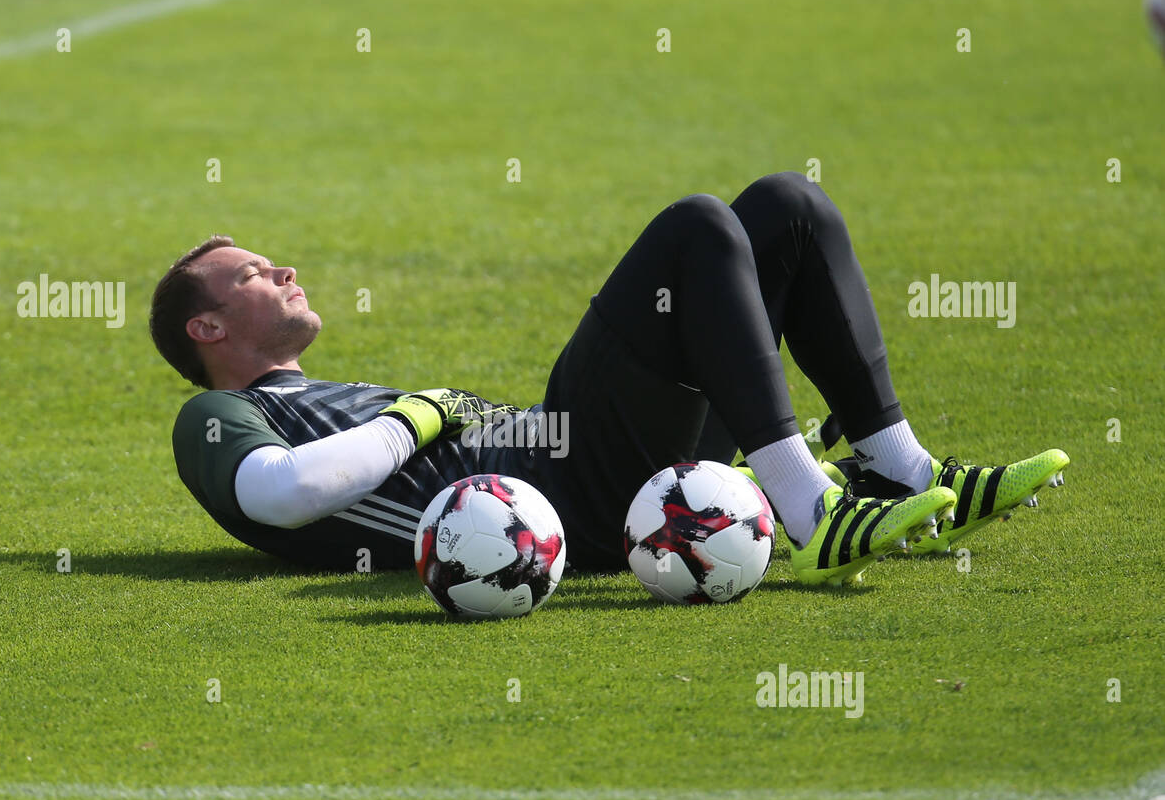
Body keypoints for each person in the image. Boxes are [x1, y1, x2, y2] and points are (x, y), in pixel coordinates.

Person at [148, 172, 1067, 586]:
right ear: (209, 327)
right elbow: (278, 496)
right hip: (560, 496)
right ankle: (811, 511)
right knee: (694, 228)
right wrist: (418, 417)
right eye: (254, 274)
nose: (286, 271)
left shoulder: (323, 395)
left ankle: (901, 469)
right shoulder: (220, 415)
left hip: (581, 460)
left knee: (787, 209)